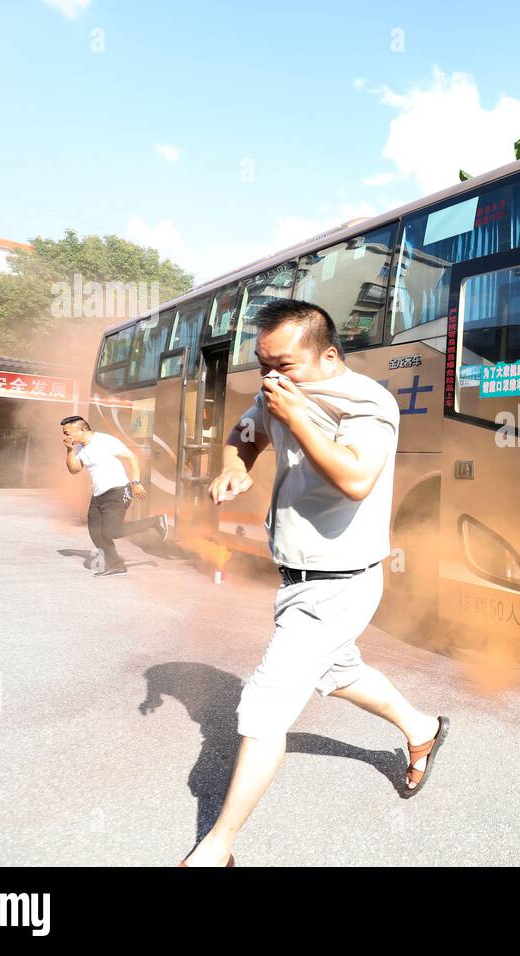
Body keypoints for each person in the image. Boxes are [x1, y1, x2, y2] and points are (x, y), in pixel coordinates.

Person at [178, 298, 449, 867]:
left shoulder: (368, 403)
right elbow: (244, 434)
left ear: (327, 355)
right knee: (338, 670)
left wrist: (297, 413)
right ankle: (421, 728)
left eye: (284, 365)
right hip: (298, 578)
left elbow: (355, 478)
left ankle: (217, 847)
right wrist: (235, 466)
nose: (270, 378)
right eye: (262, 364)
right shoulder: (274, 394)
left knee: (264, 704)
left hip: (341, 582)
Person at [61, 416, 167, 576]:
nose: (66, 436)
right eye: (64, 433)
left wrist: (136, 482)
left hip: (118, 490)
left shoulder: (105, 441)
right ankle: (116, 565)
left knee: (112, 531)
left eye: (68, 433)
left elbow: (131, 457)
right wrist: (69, 449)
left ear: (83, 429)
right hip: (98, 495)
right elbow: (74, 469)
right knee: (96, 532)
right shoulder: (79, 448)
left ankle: (155, 521)